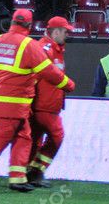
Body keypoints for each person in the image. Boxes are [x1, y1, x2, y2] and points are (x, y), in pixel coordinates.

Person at [0, 9, 74, 193]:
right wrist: (68, 84)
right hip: (14, 102)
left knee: (24, 136)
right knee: (0, 139)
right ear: (29, 25)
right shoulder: (29, 45)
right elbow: (49, 71)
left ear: (12, 22)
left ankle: (18, 178)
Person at [26, 16, 71, 189]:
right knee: (57, 136)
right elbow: (35, 77)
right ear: (56, 31)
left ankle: (28, 172)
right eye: (65, 31)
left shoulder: (55, 49)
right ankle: (36, 171)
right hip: (43, 105)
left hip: (48, 104)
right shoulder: (44, 49)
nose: (67, 35)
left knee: (34, 140)